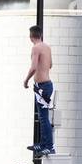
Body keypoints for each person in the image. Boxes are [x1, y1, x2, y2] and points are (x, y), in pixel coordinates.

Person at [24, 25, 55, 155]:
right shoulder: (47, 47)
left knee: (43, 118)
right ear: (40, 35)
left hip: (41, 86)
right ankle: (43, 144)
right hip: (47, 84)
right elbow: (51, 65)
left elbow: (33, 67)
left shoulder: (35, 48)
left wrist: (26, 80)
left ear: (31, 37)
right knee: (43, 117)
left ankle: (49, 145)